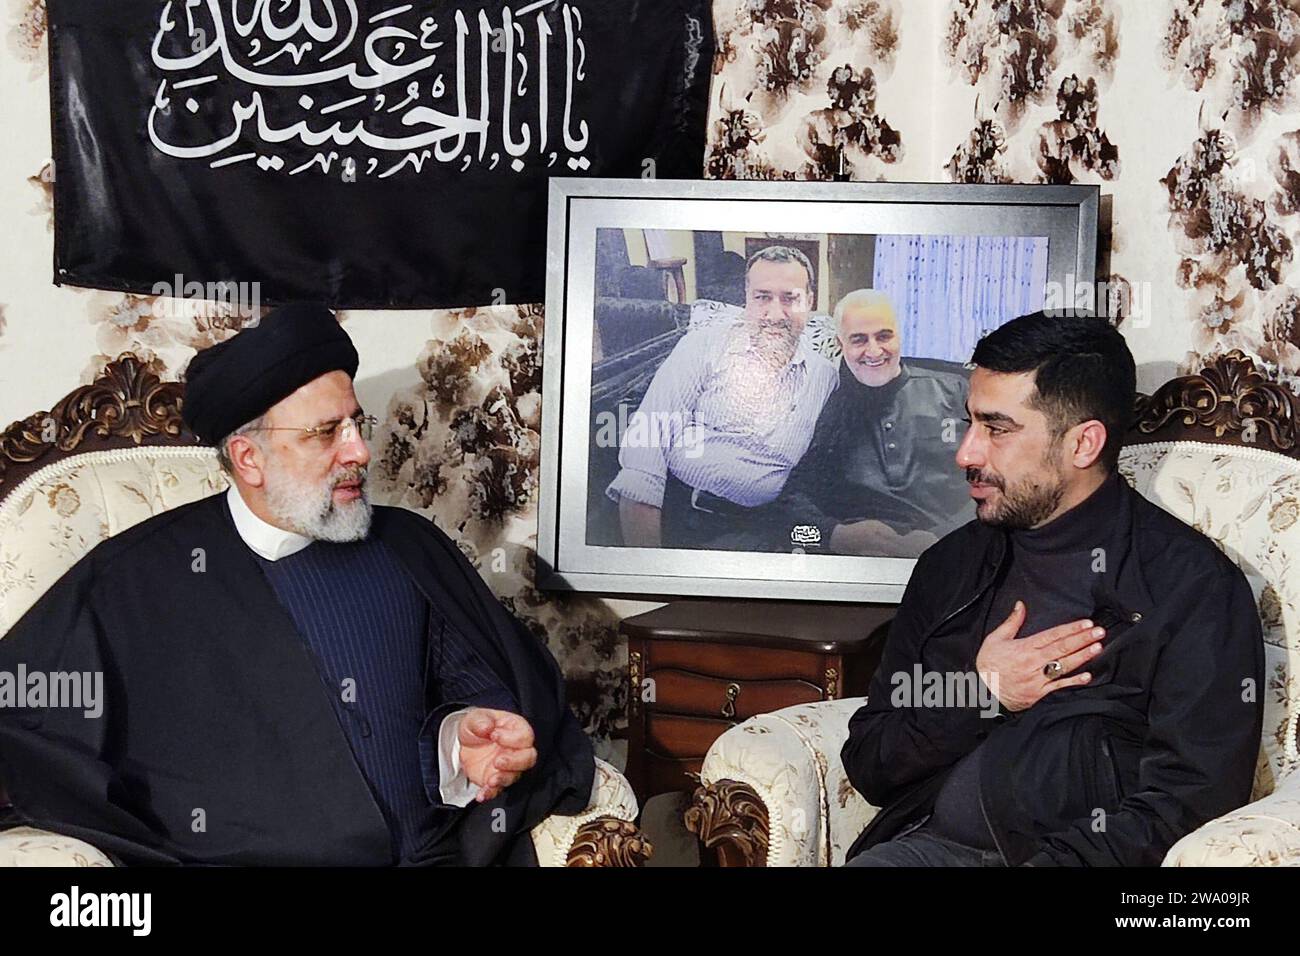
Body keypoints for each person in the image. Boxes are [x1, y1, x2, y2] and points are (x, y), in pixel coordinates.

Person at [0, 302, 594, 866]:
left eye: (357, 424)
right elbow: (27, 725)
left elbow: (487, 689)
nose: (359, 451)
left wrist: (457, 742)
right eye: (325, 432)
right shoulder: (131, 581)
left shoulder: (408, 548)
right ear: (248, 457)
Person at [842, 311, 1263, 866]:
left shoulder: (1193, 588)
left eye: (997, 428)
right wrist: (979, 693)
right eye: (970, 423)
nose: (966, 453)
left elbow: (1189, 802)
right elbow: (871, 760)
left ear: (1083, 444)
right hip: (925, 848)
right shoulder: (949, 567)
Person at [606, 245, 838, 550]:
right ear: (747, 300)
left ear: (810, 301)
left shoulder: (826, 376)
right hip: (687, 522)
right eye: (762, 297)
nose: (775, 314)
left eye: (790, 298)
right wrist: (649, 572)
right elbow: (644, 459)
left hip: (772, 531)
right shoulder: (702, 347)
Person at [774, 289, 971, 557]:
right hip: (853, 565)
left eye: (884, 336)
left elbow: (998, 490)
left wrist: (945, 539)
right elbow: (786, 521)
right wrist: (834, 536)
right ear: (839, 344)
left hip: (953, 556)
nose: (874, 351)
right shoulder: (822, 407)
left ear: (899, 336)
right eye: (859, 340)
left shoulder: (957, 393)